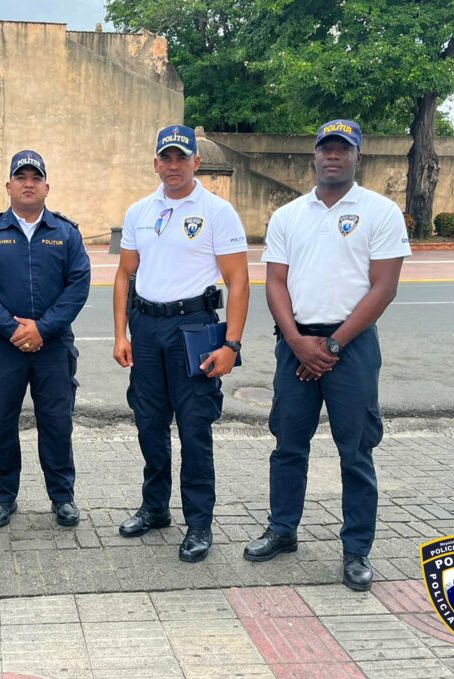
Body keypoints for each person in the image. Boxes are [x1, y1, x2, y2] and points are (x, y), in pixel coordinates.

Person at [243, 119, 411, 591]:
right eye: (325, 148)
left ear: (358, 156)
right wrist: (296, 340)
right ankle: (282, 529)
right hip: (295, 344)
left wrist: (333, 345)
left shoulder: (380, 211)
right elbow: (275, 282)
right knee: (288, 444)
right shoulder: (289, 215)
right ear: (314, 155)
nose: (332, 156)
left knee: (356, 451)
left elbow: (385, 287)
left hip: (351, 349)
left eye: (343, 149)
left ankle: (356, 549)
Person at [113, 125, 249, 563]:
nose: (173, 166)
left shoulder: (217, 211)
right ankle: (155, 509)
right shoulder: (139, 211)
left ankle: (199, 523)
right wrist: (121, 333)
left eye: (181, 158)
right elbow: (123, 274)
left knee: (194, 429)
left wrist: (231, 344)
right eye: (165, 158)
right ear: (155, 163)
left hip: (194, 328)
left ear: (196, 162)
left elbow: (238, 281)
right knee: (149, 424)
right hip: (147, 328)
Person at [0, 150, 90, 528]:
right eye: (21, 177)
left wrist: (42, 328)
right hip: (5, 347)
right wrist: (13, 328)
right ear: (9, 186)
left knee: (56, 422)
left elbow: (78, 285)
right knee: (0, 421)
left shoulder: (66, 234)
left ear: (47, 186)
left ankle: (62, 497)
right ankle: (2, 497)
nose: (29, 183)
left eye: (36, 177)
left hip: (54, 347)